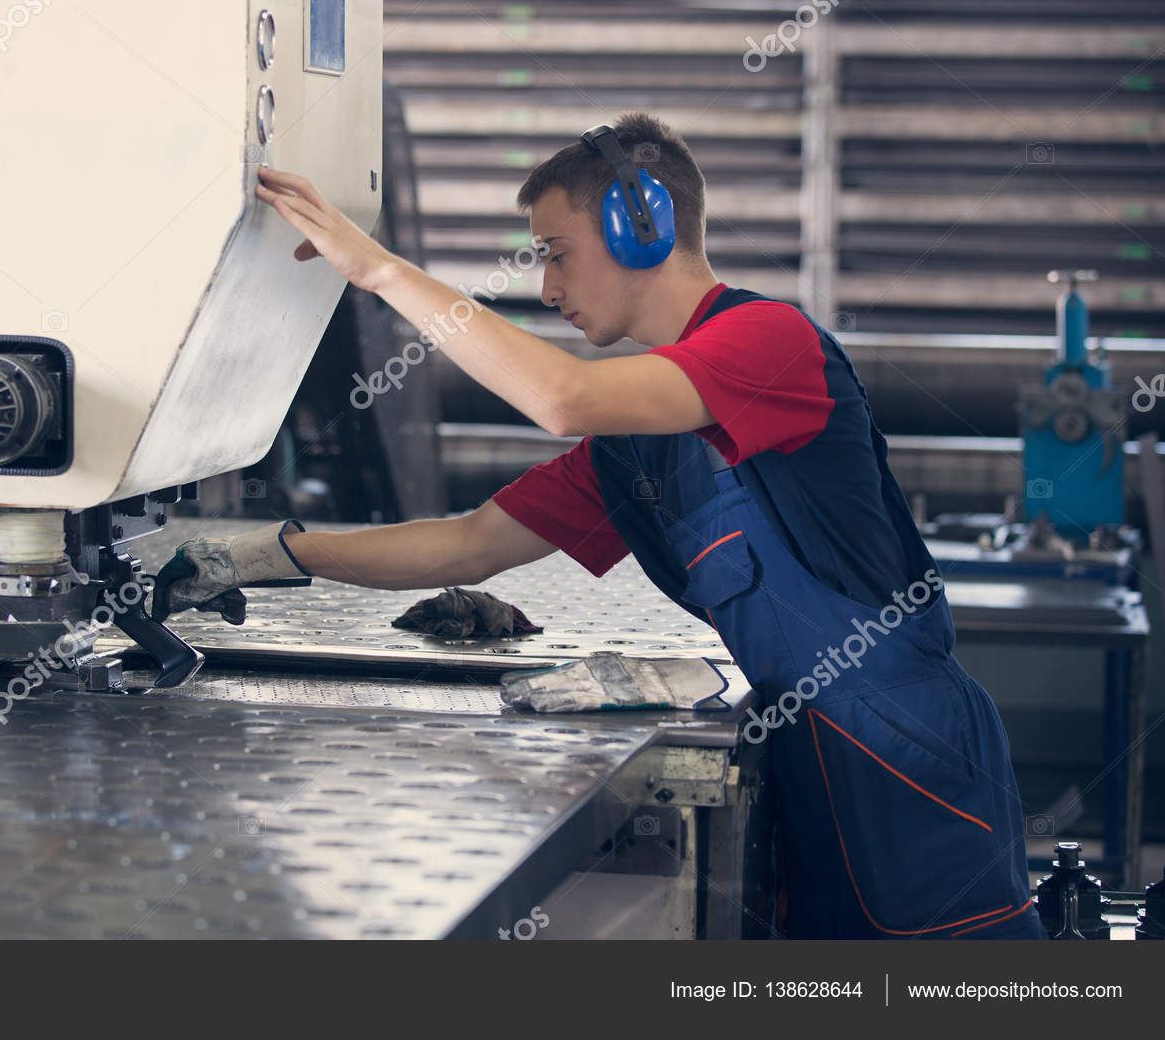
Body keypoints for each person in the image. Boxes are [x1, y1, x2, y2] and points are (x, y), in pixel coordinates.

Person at [154, 110, 1042, 940]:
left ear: (640, 225)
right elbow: (467, 543)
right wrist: (258, 554)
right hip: (808, 756)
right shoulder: (637, 441)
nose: (546, 287)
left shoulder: (769, 343)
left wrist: (379, 270)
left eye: (556, 253)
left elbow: (561, 396)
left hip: (907, 758)